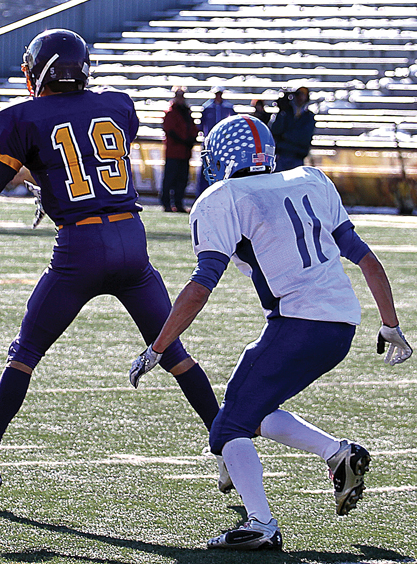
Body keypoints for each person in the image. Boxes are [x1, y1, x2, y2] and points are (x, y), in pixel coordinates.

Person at [0, 29, 222, 501]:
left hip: (80, 248)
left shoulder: (23, 118)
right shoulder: (116, 106)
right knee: (175, 353)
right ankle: (227, 452)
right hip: (131, 240)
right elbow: (82, 155)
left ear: (40, 69)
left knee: (25, 353)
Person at [129, 114, 412, 550]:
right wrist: (391, 325)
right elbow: (368, 261)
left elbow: (201, 285)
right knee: (252, 410)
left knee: (227, 429)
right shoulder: (311, 180)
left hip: (298, 323)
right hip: (341, 326)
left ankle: (261, 523)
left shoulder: (223, 196)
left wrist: (158, 347)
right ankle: (337, 454)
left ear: (221, 158)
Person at [161, 86, 198, 213]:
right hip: (174, 151)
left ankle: (178, 203)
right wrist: (185, 141)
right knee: (170, 178)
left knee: (182, 179)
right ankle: (166, 203)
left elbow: (193, 128)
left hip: (185, 152)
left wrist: (192, 138)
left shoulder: (186, 112)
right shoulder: (171, 112)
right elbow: (171, 131)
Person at [197, 86, 235, 196]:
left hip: (224, 145)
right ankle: (202, 194)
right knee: (206, 169)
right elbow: (201, 126)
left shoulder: (229, 107)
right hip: (209, 144)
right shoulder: (207, 107)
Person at [269, 86, 316, 172]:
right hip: (282, 155)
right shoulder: (286, 113)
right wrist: (281, 112)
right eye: (298, 94)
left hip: (297, 155)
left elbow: (304, 136)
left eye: (303, 94)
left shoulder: (309, 117)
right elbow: (275, 130)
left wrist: (285, 136)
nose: (300, 97)